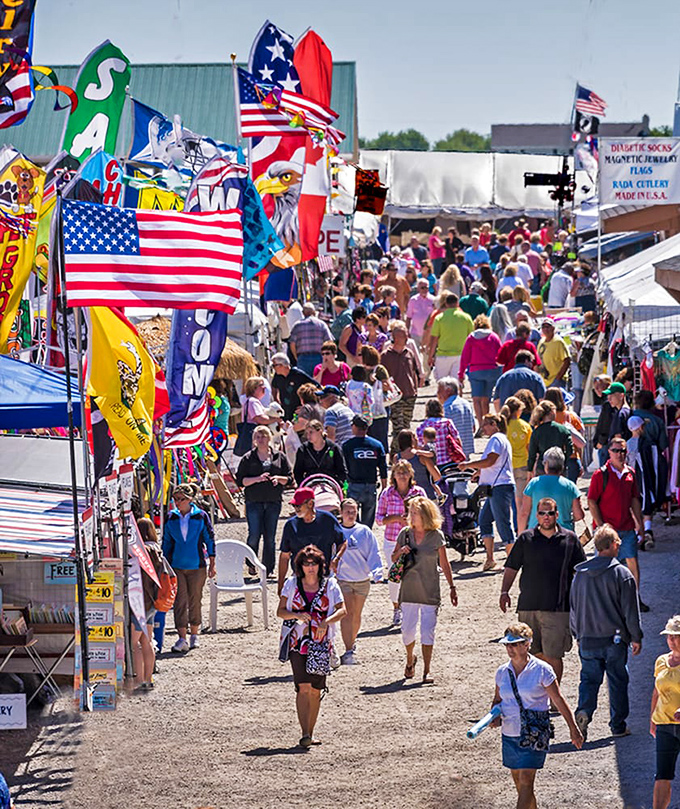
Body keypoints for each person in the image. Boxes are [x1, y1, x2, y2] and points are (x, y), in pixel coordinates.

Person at [489, 622, 583, 809]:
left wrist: (574, 729)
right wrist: (494, 716)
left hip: (535, 732)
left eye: (514, 644)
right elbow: (497, 699)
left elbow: (558, 700)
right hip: (510, 733)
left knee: (526, 780)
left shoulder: (542, 670)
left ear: (527, 644)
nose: (510, 648)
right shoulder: (502, 672)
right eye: (507, 644)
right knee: (521, 784)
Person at [500, 498, 586, 684]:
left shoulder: (570, 539)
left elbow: (581, 572)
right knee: (532, 654)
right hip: (528, 607)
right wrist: (504, 592)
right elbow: (512, 567)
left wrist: (583, 602)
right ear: (536, 515)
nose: (546, 517)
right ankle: (539, 695)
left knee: (554, 655)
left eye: (550, 513)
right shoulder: (525, 538)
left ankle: (554, 699)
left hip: (558, 608)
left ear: (557, 514)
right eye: (542, 513)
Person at [570, 524, 642, 742]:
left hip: (587, 639)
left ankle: (584, 711)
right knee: (617, 681)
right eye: (618, 542)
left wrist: (577, 634)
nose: (619, 545)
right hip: (614, 639)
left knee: (589, 680)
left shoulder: (579, 575)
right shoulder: (622, 574)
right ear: (612, 545)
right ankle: (618, 725)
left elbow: (573, 607)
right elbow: (630, 611)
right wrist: (636, 637)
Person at [276, 545, 346, 748]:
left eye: (313, 563)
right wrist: (297, 615)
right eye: (306, 564)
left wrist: (326, 621)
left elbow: (343, 610)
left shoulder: (330, 586)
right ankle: (304, 732)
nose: (310, 568)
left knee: (316, 689)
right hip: (297, 642)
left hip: (320, 643)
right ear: (300, 566)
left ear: (320, 565)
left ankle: (311, 731)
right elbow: (280, 612)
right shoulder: (291, 584)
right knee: (302, 688)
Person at [393, 496, 457, 684]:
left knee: (428, 631)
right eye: (410, 512)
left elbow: (444, 563)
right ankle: (410, 658)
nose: (411, 516)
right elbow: (393, 556)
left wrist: (452, 587)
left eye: (415, 513)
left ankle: (427, 671)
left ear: (426, 515)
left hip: (430, 590)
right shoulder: (405, 533)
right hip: (409, 590)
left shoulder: (436, 535)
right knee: (407, 631)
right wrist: (401, 551)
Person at [587, 436, 648, 612]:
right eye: (616, 451)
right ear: (609, 452)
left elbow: (635, 500)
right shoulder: (601, 474)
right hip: (608, 530)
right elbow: (591, 501)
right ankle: (604, 602)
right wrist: (601, 527)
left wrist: (640, 524)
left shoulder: (631, 473)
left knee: (632, 563)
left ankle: (634, 599)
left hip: (627, 527)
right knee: (604, 566)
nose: (620, 454)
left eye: (623, 451)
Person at [162, 483, 216, 653]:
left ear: (190, 499)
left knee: (195, 599)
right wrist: (164, 565)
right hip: (176, 565)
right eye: (175, 499)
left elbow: (210, 538)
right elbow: (166, 542)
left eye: (181, 499)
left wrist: (212, 563)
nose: (178, 502)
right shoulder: (171, 517)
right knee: (179, 602)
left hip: (197, 565)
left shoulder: (200, 516)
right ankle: (181, 637)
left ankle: (194, 634)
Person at [459, 413, 515, 571]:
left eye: (485, 424)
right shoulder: (501, 439)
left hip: (499, 487)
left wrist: (469, 465)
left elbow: (491, 460)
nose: (483, 427)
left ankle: (513, 560)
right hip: (496, 486)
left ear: (494, 424)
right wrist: (479, 473)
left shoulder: (496, 439)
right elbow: (494, 464)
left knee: (502, 523)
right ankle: (490, 558)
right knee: (485, 520)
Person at [236, 426, 292, 577]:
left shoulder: (279, 456)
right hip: (254, 501)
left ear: (269, 437)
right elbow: (241, 481)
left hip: (273, 501)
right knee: (254, 534)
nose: (261, 440)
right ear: (254, 440)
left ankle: (268, 568)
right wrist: (258, 479)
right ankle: (252, 564)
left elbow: (290, 478)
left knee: (270, 536)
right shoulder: (248, 458)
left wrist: (278, 479)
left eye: (263, 436)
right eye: (258, 437)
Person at [376, 460, 427, 626]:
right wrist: (397, 518)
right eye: (399, 472)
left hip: (415, 539)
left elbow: (428, 514)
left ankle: (410, 609)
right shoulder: (387, 493)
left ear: (411, 474)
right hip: (393, 539)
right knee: (395, 577)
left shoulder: (419, 492)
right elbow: (379, 519)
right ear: (394, 475)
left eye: (405, 472)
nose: (402, 475)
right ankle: (397, 608)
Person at [336, 498, 383, 664]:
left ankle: (352, 642)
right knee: (347, 614)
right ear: (341, 513)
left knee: (356, 614)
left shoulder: (364, 531)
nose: (350, 515)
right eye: (347, 511)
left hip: (362, 580)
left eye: (354, 511)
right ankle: (348, 650)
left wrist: (377, 572)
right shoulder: (336, 531)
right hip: (343, 580)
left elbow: (373, 553)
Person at [277, 487, 346, 596]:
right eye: (294, 505)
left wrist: (336, 559)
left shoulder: (327, 520)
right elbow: (284, 556)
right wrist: (281, 584)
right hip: (299, 578)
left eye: (298, 505)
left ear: (310, 504)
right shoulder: (291, 525)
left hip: (324, 577)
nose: (296, 509)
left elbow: (342, 542)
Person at [650, 615, 680, 809]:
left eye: (675, 636)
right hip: (664, 724)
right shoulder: (661, 661)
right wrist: (652, 719)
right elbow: (656, 691)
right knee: (662, 774)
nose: (671, 640)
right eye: (669, 636)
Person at [519, 447, 584, 534]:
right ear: (562, 465)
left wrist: (521, 536)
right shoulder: (570, 486)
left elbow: (524, 513)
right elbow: (579, 515)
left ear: (546, 464)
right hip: (563, 535)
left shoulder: (534, 483)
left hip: (536, 534)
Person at [381, 322, 421, 454]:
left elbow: (413, 370)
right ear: (396, 338)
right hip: (395, 397)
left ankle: (401, 453)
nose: (407, 338)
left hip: (410, 395)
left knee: (406, 426)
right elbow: (380, 375)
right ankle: (395, 455)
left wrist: (415, 387)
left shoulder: (409, 353)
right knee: (398, 428)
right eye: (404, 335)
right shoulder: (386, 356)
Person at [133, 517, 164, 689]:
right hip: (153, 601)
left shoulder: (139, 550)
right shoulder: (157, 549)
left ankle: (139, 680)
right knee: (147, 641)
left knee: (134, 643)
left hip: (139, 602)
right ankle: (149, 678)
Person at [342, 415, 388, 529]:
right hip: (371, 486)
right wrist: (384, 487)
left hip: (353, 486)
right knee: (367, 525)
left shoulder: (348, 446)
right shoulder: (376, 445)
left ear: (355, 427)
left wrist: (343, 487)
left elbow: (343, 468)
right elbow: (383, 468)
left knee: (352, 522)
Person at [459, 314, 502, 431]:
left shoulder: (471, 338)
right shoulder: (494, 337)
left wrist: (461, 374)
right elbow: (500, 354)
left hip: (476, 371)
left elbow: (465, 357)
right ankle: (486, 424)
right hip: (492, 371)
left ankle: (480, 424)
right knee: (486, 399)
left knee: (476, 399)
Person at [427, 292, 474, 381]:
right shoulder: (466, 317)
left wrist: (430, 356)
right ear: (457, 303)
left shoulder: (439, 318)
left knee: (442, 382)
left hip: (443, 355)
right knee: (456, 381)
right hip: (460, 355)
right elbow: (471, 337)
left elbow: (434, 338)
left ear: (446, 304)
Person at [543, 387, 585, 482]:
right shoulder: (571, 417)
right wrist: (581, 463)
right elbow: (580, 442)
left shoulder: (542, 418)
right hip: (572, 458)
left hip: (549, 458)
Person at [501, 397, 532, 512]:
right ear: (518, 410)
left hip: (507, 465)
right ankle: (519, 524)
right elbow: (529, 448)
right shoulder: (525, 426)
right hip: (523, 464)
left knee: (508, 498)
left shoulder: (504, 426)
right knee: (520, 499)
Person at [293, 420, 347, 487]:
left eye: (311, 432)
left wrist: (338, 485)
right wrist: (303, 485)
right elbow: (298, 471)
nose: (308, 436)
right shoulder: (303, 449)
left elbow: (342, 471)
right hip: (310, 483)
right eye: (307, 433)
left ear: (320, 431)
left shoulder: (333, 448)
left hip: (330, 484)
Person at [526, 401, 573, 476]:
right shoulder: (563, 429)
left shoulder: (537, 431)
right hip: (559, 467)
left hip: (542, 467)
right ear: (551, 412)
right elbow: (570, 449)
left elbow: (532, 453)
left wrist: (530, 469)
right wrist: (564, 461)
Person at [415, 399, 465, 466]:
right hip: (449, 460)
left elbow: (420, 446)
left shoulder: (422, 426)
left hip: (431, 462)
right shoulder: (448, 423)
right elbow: (457, 439)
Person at [289, 302, 333, 376]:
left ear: (303, 313)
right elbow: (329, 341)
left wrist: (296, 357)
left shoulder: (297, 325)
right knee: (319, 381)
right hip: (319, 357)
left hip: (303, 358)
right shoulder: (321, 324)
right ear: (313, 312)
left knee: (304, 382)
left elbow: (292, 344)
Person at [395, 429, 440, 499]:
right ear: (412, 440)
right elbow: (437, 476)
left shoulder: (397, 458)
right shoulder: (421, 456)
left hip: (404, 497)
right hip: (426, 496)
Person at [271, 353, 316, 422]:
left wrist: (307, 405)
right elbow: (274, 386)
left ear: (282, 365)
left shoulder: (297, 374)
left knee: (296, 427)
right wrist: (275, 399)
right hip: (285, 411)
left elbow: (316, 386)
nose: (273, 368)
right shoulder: (278, 376)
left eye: (274, 365)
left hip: (297, 411)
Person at [438, 376, 475, 458]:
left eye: (439, 390)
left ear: (448, 391)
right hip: (466, 449)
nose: (437, 394)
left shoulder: (447, 407)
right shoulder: (467, 404)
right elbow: (473, 427)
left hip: (453, 451)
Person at [536, 319, 570, 387]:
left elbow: (567, 360)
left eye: (548, 327)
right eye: (543, 327)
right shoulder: (541, 341)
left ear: (553, 328)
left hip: (557, 381)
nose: (546, 329)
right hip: (544, 381)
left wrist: (558, 378)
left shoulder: (558, 342)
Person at [405, 279, 436, 346]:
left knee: (426, 355)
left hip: (429, 334)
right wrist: (407, 331)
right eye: (422, 288)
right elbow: (408, 317)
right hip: (415, 333)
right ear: (418, 289)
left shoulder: (433, 300)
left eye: (426, 288)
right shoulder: (413, 300)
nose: (425, 289)